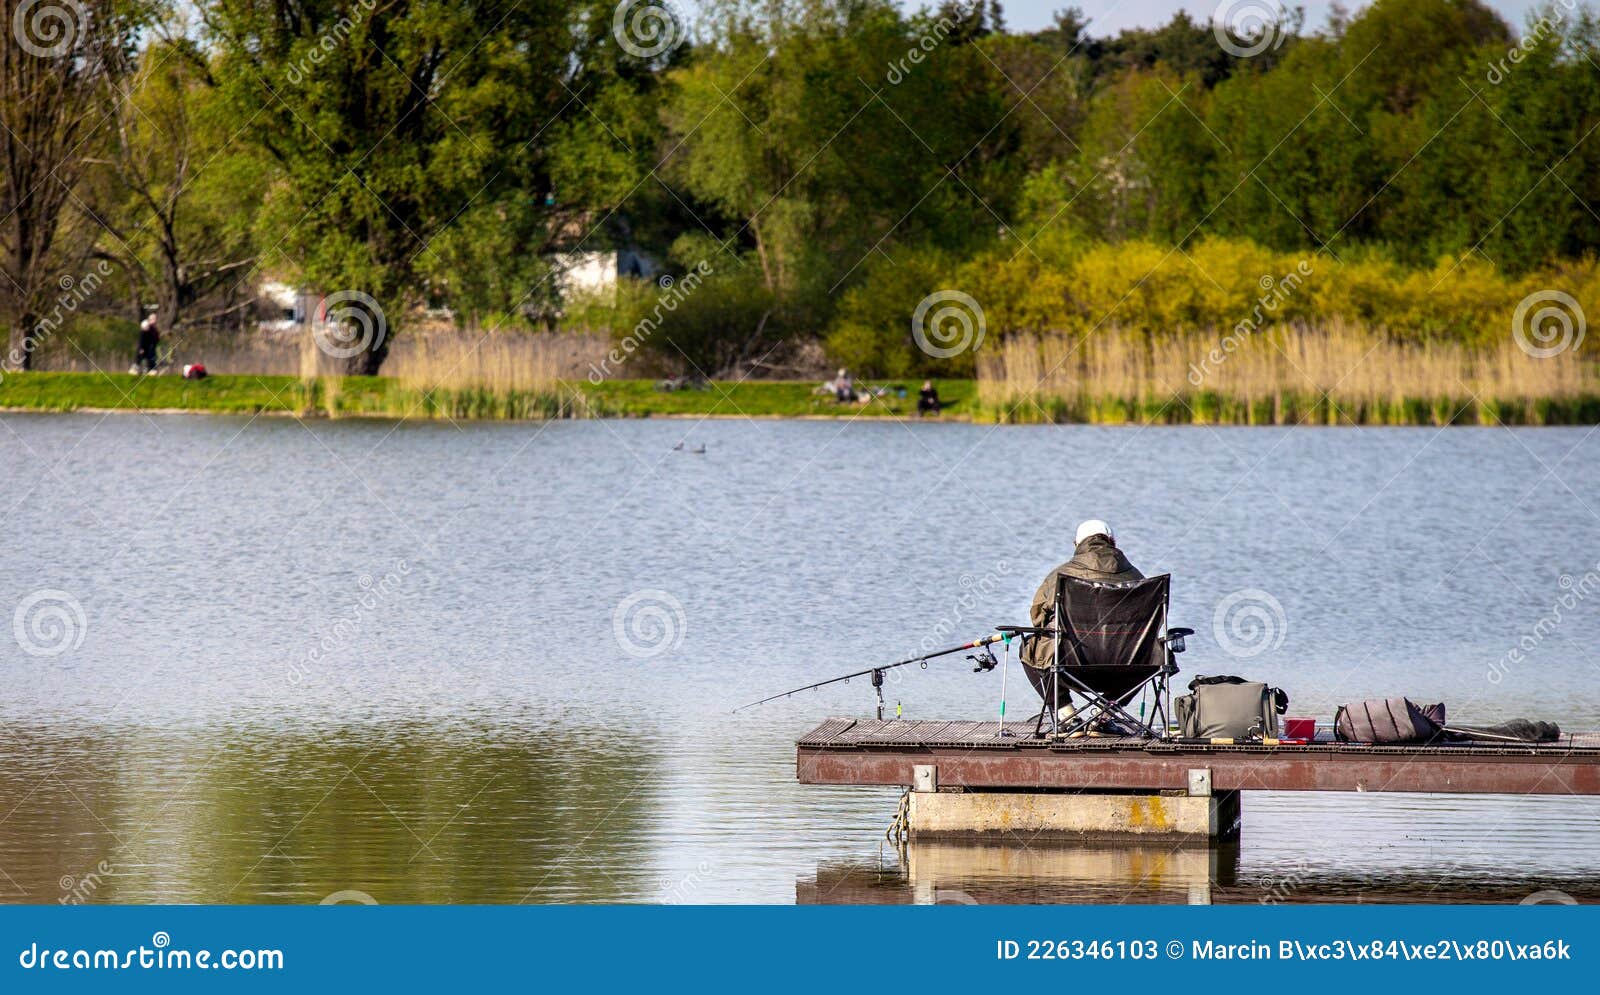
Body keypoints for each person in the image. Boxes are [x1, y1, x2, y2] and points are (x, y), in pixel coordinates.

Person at [1022, 520, 1143, 673]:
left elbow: (1039, 618)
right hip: (1132, 663)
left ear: (1076, 545)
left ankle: (1061, 698)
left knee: (1029, 647)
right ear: (1113, 542)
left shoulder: (1061, 574)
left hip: (1071, 662)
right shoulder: (1138, 578)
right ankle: (1117, 698)